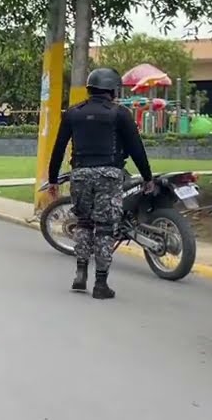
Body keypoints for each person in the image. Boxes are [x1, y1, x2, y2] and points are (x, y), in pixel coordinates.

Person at [46, 66, 153, 300]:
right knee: (105, 228)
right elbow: (136, 148)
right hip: (110, 176)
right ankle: (101, 283)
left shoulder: (73, 113)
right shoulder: (119, 114)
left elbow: (58, 148)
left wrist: (53, 179)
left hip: (81, 173)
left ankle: (80, 273)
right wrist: (147, 177)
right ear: (112, 90)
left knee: (84, 223)